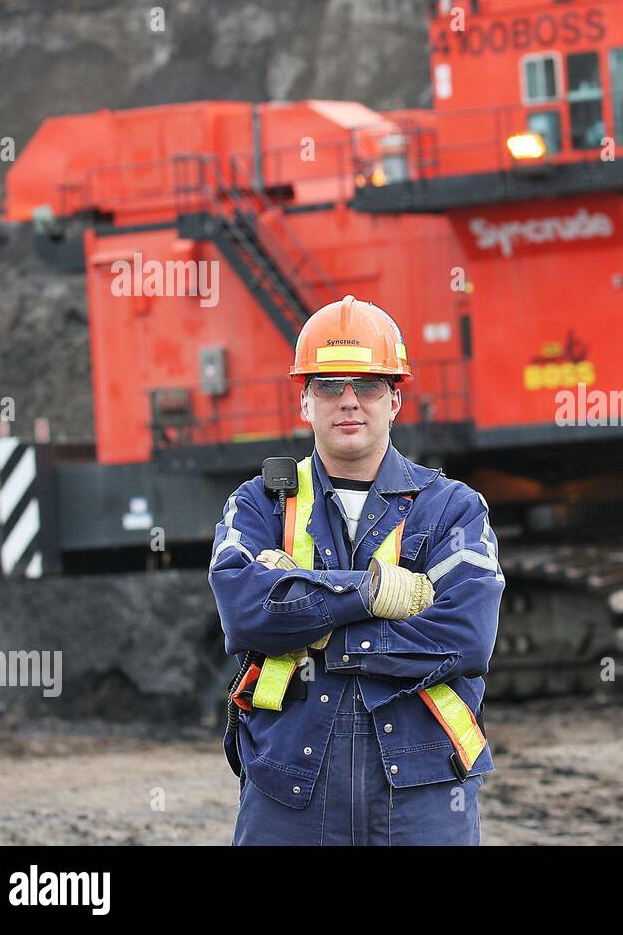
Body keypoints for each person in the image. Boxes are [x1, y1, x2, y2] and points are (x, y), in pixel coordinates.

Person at [209, 294, 502, 845]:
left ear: (394, 400)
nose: (349, 402)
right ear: (305, 401)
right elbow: (246, 616)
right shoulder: (259, 505)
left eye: (367, 386)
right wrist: (371, 593)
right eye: (329, 387)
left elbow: (466, 639)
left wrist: (310, 622)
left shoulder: (452, 508)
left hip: (423, 790)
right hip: (288, 790)